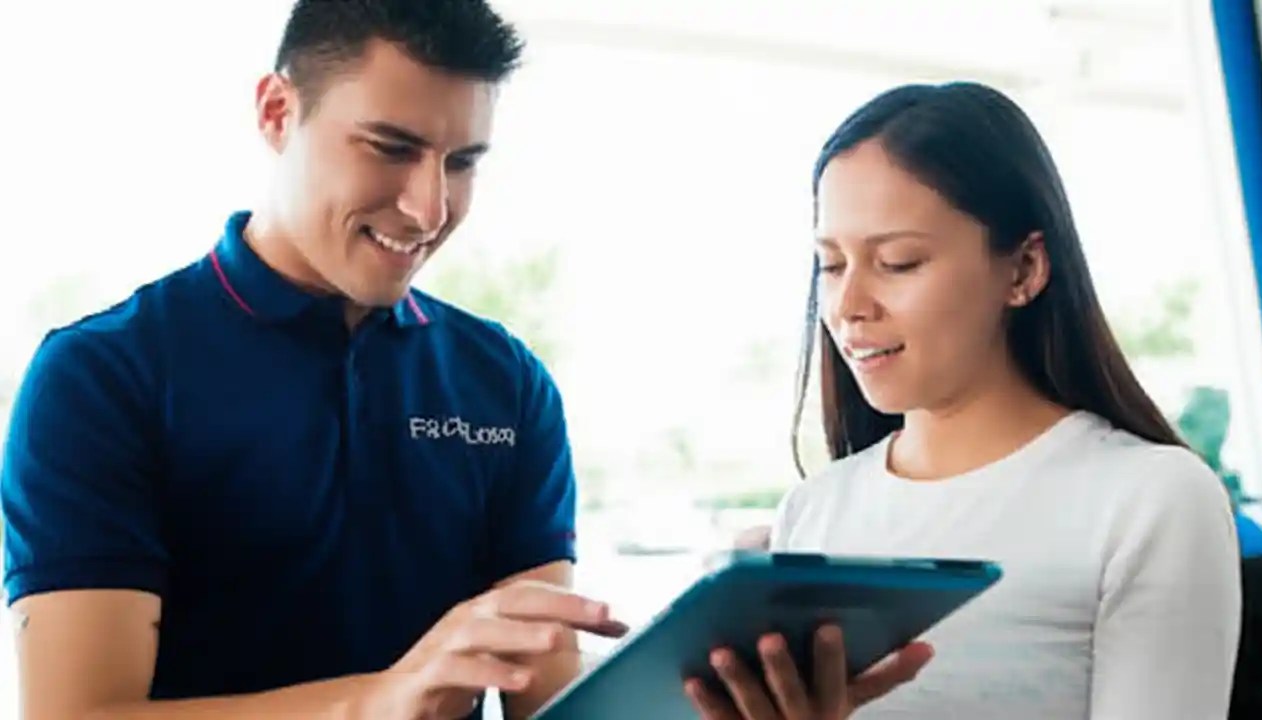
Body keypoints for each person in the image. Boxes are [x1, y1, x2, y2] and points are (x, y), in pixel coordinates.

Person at [2, 3, 929, 719]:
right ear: (277, 111)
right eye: (391, 148)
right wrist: (380, 698)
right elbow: (79, 713)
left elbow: (547, 703)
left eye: (463, 161)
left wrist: (724, 693)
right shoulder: (103, 376)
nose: (428, 206)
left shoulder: (504, 384)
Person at [690, 82, 1242, 719]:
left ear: (1023, 270)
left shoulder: (1150, 497)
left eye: (898, 262)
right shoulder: (813, 512)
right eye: (832, 264)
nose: (847, 307)